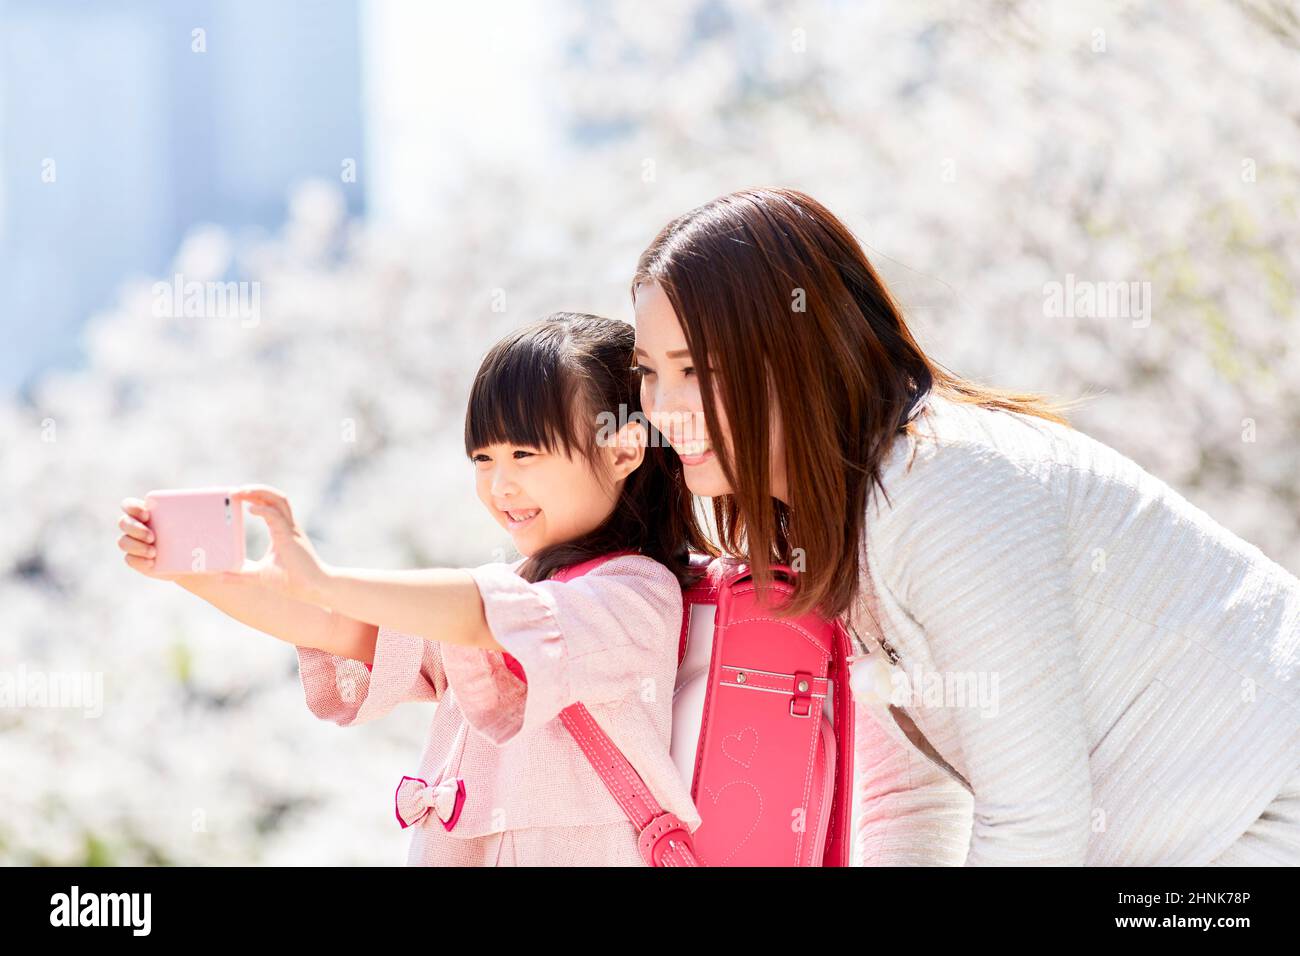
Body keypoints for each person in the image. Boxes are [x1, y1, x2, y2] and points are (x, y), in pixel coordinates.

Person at [630, 186, 1300, 865]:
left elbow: (1035, 820)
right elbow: (913, 802)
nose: (663, 407)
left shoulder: (948, 490)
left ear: (797, 354)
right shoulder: (842, 516)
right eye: (649, 374)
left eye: (698, 371)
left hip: (1268, 809)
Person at [118, 313, 708, 866]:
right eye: (483, 458)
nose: (500, 485)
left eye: (525, 454)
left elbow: (494, 618)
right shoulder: (501, 596)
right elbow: (334, 625)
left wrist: (326, 578)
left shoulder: (637, 596)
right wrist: (203, 575)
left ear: (625, 449)